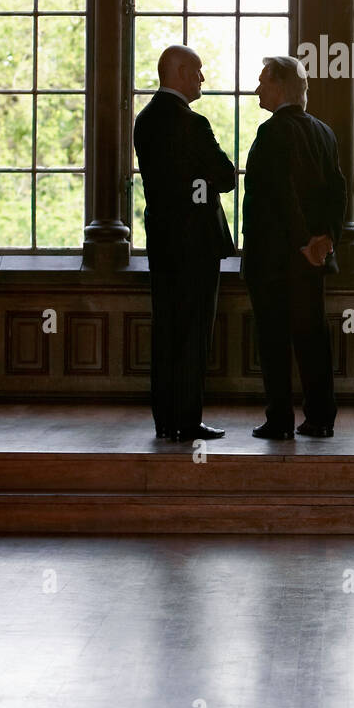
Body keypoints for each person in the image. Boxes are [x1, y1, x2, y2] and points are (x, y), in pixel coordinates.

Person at [133, 45, 236, 443]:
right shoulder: (193, 124)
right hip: (197, 245)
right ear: (178, 71)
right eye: (197, 72)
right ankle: (188, 421)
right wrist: (205, 182)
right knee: (194, 334)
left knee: (166, 329)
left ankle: (165, 422)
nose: (202, 79)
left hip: (162, 242)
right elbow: (226, 176)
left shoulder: (144, 121)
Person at [241, 55, 347, 440]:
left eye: (262, 81)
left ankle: (280, 420)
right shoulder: (324, 132)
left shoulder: (271, 134)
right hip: (312, 260)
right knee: (313, 338)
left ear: (281, 86)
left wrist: (303, 241)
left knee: (274, 340)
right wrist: (324, 240)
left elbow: (279, 197)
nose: (257, 89)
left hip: (274, 260)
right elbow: (338, 192)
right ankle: (321, 418)